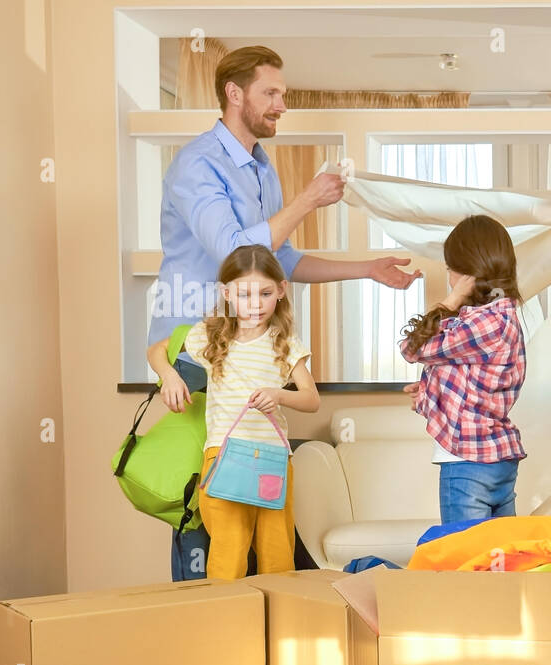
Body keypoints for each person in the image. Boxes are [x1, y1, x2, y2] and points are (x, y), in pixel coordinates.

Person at [147, 45, 418, 578]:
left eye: (284, 95)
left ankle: (269, 614)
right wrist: (307, 201)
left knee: (255, 486)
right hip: (199, 347)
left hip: (251, 344)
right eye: (271, 93)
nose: (281, 105)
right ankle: (208, 618)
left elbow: (278, 261)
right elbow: (234, 254)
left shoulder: (260, 168)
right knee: (207, 496)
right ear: (234, 92)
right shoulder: (197, 164)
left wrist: (366, 269)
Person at [185, 245, 320, 579]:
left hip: (272, 458)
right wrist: (171, 377)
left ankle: (281, 624)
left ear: (281, 291)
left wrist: (279, 395)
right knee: (228, 553)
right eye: (245, 294)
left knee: (277, 552)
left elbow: (311, 399)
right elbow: (157, 350)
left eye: (265, 293)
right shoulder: (209, 335)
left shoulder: (285, 343)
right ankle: (226, 624)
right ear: (227, 293)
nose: (255, 303)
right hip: (223, 453)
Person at [400, 215, 527, 522]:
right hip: (496, 458)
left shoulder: (484, 323)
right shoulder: (497, 318)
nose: (448, 276)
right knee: (499, 560)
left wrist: (450, 300)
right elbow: (477, 379)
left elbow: (412, 348)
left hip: (468, 460)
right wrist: (432, 387)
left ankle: (366, 570)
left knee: (465, 561)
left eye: (449, 269)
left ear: (468, 272)